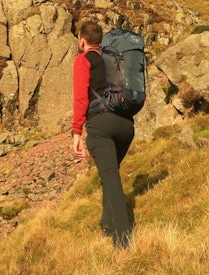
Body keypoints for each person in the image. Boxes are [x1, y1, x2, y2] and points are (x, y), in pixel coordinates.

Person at [72, 19, 135, 248]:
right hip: (126, 126)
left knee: (112, 181)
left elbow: (81, 98)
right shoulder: (114, 59)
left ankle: (123, 242)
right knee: (109, 176)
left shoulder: (83, 60)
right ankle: (107, 224)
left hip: (101, 126)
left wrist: (76, 132)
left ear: (82, 41)